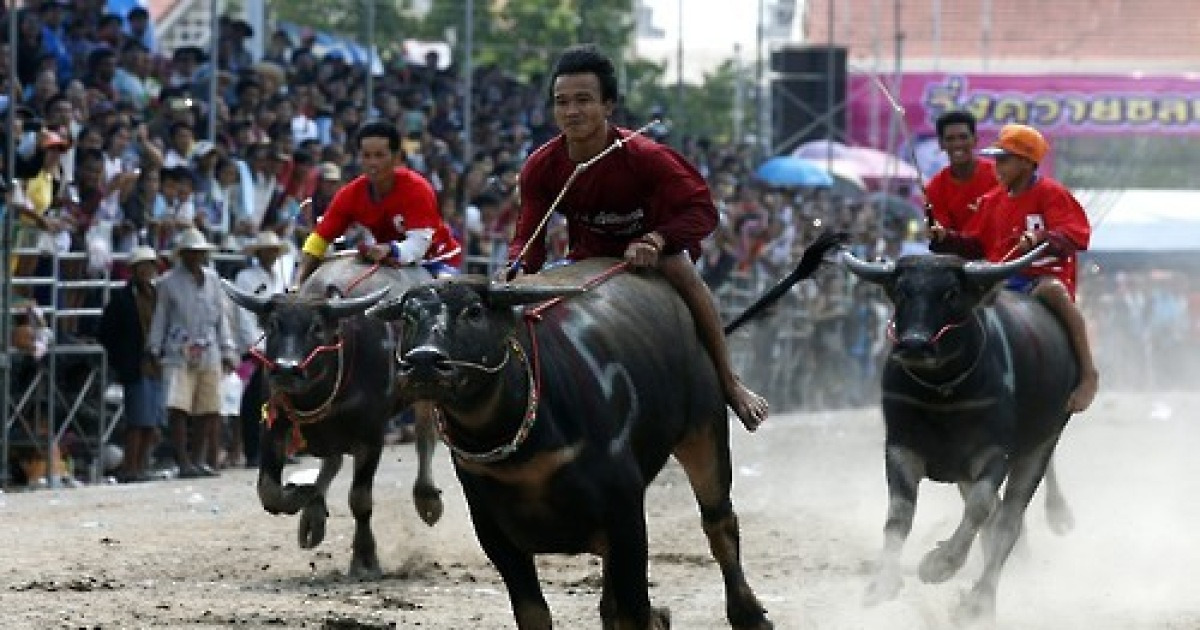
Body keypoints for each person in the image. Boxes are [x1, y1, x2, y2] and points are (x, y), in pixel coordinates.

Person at [507, 44, 768, 431]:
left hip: (655, 254)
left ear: (609, 105)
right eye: (562, 102)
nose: (571, 112)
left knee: (684, 274)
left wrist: (658, 241)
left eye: (583, 100)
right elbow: (528, 238)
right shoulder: (540, 167)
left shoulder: (647, 157)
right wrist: (516, 271)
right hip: (585, 259)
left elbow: (702, 211)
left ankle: (729, 382)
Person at [931, 124, 1099, 413]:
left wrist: (1041, 238)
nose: (996, 166)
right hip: (1001, 278)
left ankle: (1087, 373)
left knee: (1054, 292)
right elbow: (976, 245)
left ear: (1026, 162)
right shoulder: (992, 200)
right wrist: (946, 239)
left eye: (1004, 159)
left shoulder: (1051, 193)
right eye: (996, 158)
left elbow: (1076, 234)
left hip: (1041, 278)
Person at [294, 120, 462, 285]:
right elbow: (319, 239)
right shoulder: (350, 193)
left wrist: (390, 249)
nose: (372, 163)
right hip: (388, 260)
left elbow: (418, 246)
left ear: (396, 157)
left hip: (436, 259)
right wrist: (298, 284)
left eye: (379, 155)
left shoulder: (417, 188)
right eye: (366, 156)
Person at [146, 228, 238, 478]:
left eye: (198, 253)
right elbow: (161, 316)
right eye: (190, 253)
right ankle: (183, 461)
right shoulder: (168, 283)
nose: (195, 257)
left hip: (209, 349)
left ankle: (199, 459)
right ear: (182, 255)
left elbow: (222, 318)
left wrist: (228, 348)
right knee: (179, 408)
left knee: (208, 408)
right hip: (179, 349)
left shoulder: (213, 281)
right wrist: (154, 347)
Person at [97, 246, 165, 483]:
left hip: (156, 365)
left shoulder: (158, 296)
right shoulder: (122, 298)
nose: (147, 270)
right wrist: (121, 359)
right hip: (135, 365)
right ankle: (131, 467)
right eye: (143, 266)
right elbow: (106, 332)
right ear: (134, 270)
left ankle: (142, 466)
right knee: (137, 421)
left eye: (150, 266)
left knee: (152, 421)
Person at [230, 231, 291, 467]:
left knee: (280, 402)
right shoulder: (246, 278)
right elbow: (243, 314)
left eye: (274, 251)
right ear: (259, 253)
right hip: (257, 349)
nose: (271, 255)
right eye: (267, 251)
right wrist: (258, 348)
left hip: (279, 349)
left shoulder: (281, 279)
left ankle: (278, 449)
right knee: (254, 402)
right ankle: (252, 451)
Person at [924, 110, 998, 243]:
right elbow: (941, 234)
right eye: (950, 139)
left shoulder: (999, 175)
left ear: (975, 140)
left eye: (963, 137)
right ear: (941, 144)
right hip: (956, 257)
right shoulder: (934, 187)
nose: (958, 144)